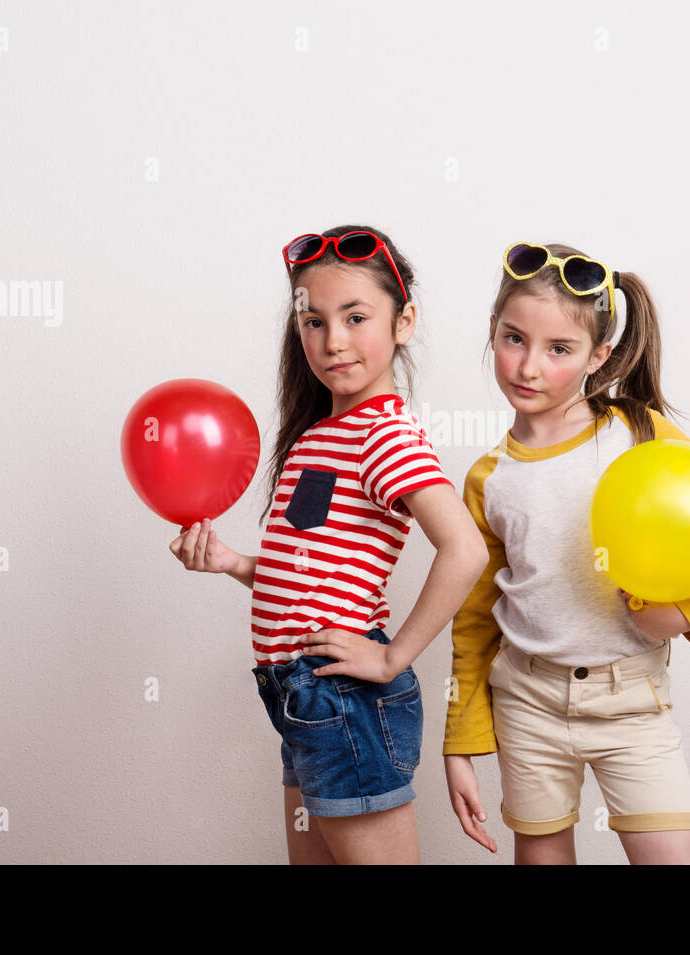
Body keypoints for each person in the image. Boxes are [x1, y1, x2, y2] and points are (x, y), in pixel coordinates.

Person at [442, 241, 690, 864]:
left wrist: (686, 613)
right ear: (491, 332)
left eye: (559, 349)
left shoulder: (638, 432)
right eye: (514, 339)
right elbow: (473, 618)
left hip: (633, 706)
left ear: (599, 356)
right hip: (528, 705)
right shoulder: (489, 478)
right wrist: (459, 740)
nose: (529, 367)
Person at [172, 225, 488, 864]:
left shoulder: (384, 435)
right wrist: (235, 564)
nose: (333, 341)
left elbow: (466, 549)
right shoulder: (320, 437)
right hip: (300, 697)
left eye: (355, 317)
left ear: (404, 323)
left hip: (343, 698)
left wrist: (393, 656)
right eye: (313, 322)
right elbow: (313, 571)